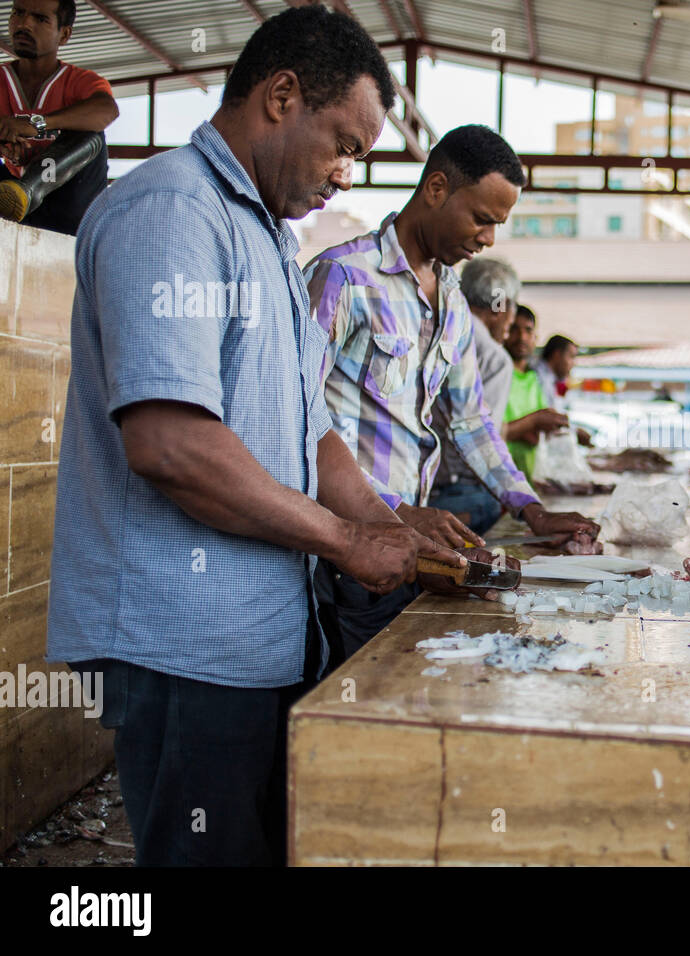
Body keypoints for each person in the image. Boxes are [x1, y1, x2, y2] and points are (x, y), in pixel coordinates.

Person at [46, 6, 454, 867]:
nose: (346, 173)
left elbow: (314, 433)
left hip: (259, 637)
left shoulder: (266, 236)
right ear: (281, 96)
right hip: (184, 642)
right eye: (343, 143)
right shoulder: (172, 214)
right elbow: (169, 445)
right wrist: (344, 540)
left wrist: (389, 520)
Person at [305, 125, 600, 659]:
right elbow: (294, 422)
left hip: (407, 546)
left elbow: (470, 423)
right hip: (345, 546)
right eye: (483, 219)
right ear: (436, 189)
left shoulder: (455, 305)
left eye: (497, 226)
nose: (488, 239)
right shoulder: (343, 279)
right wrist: (391, 510)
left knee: (407, 678)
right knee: (355, 688)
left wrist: (531, 510)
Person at [0, 0, 118, 235]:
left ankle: (27, 190)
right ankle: (20, 194)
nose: (24, 24)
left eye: (40, 19)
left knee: (92, 133)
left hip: (69, 208)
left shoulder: (80, 81)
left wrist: (37, 125)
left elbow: (107, 110)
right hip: (12, 204)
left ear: (63, 35)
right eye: (18, 13)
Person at [427, 254, 520, 535]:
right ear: (500, 306)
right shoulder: (495, 358)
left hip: (422, 488)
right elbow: (480, 434)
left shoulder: (438, 329)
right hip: (462, 492)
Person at [503, 304, 569, 479]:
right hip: (499, 481)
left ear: (535, 338)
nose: (522, 337)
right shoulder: (496, 375)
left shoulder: (533, 378)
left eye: (528, 331)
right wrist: (533, 422)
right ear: (504, 330)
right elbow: (487, 434)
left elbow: (540, 428)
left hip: (529, 480)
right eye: (514, 329)